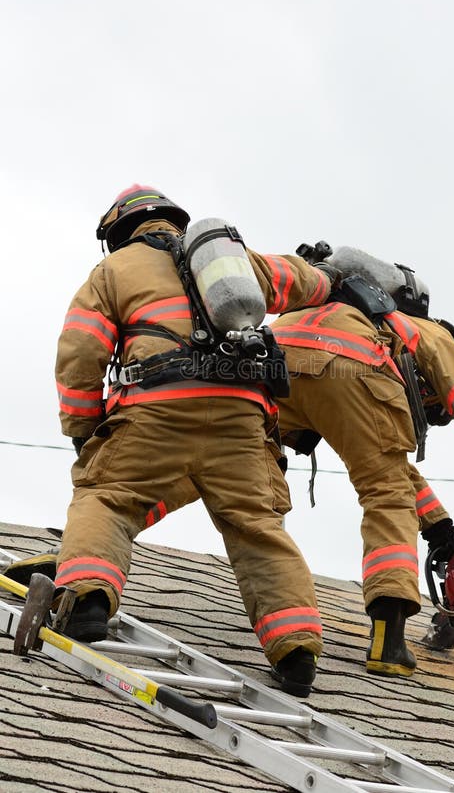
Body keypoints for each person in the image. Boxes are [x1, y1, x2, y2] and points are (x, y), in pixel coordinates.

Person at [7, 185, 336, 699]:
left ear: (119, 232)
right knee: (257, 528)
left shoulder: (115, 271)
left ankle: (88, 598)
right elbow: (305, 284)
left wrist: (83, 429)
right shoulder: (232, 260)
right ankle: (297, 650)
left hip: (155, 409)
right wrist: (326, 273)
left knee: (106, 497)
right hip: (242, 418)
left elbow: (79, 352)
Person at [270, 256, 454, 678]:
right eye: (439, 405)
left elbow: (381, 455)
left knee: (235, 486)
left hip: (272, 360)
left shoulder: (325, 312)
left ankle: (120, 556)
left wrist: (440, 527)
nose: (437, 411)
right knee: (386, 497)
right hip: (345, 364)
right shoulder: (431, 338)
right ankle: (387, 643)